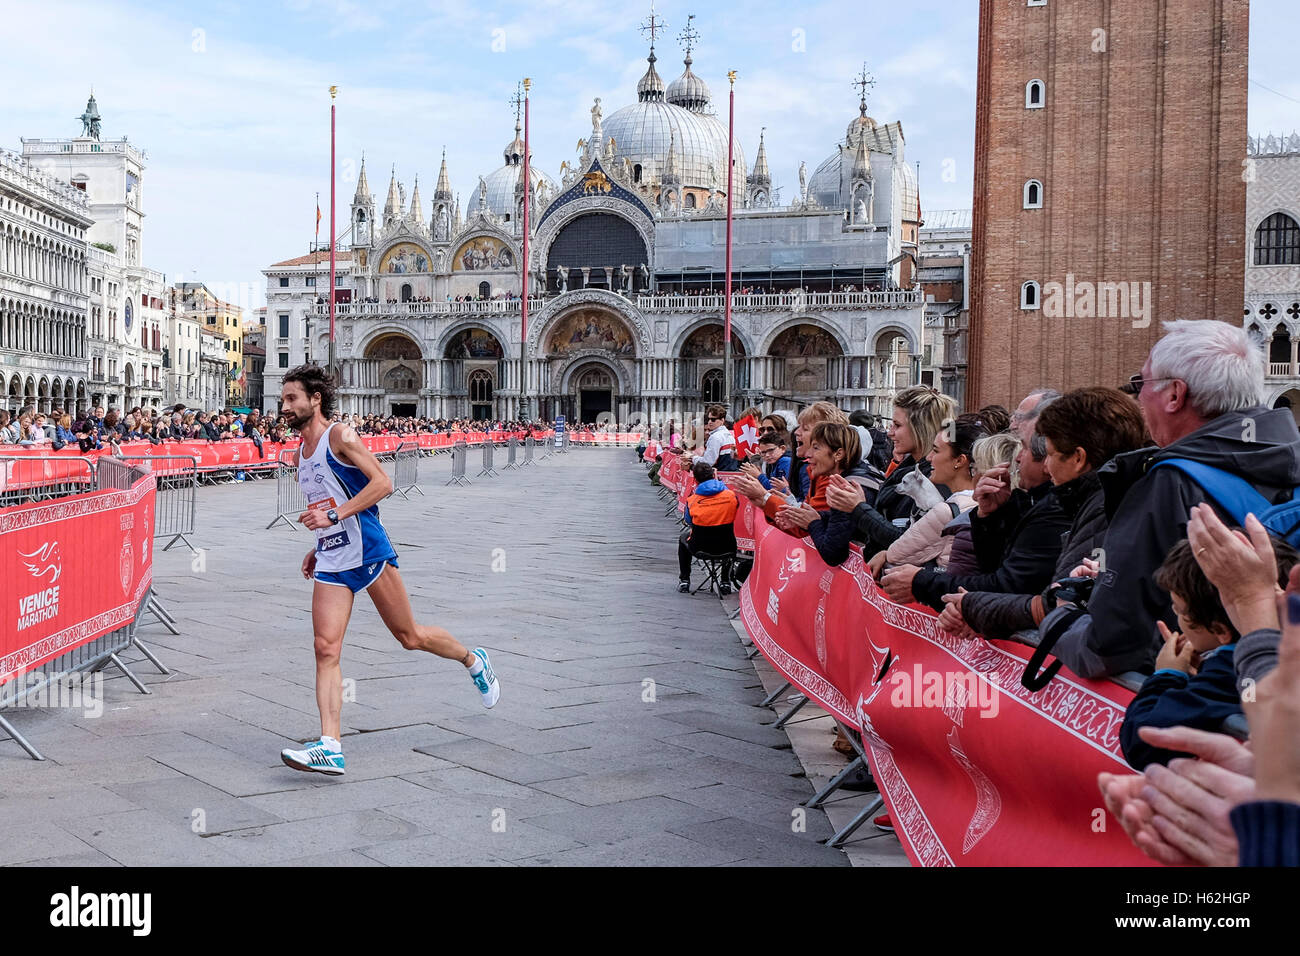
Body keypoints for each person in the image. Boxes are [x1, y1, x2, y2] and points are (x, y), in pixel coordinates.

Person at [276, 365, 500, 776]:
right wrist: (317, 543)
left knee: (409, 637)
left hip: (368, 549)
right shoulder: (298, 456)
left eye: (292, 398)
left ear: (315, 399)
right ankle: (330, 745)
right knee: (325, 648)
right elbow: (322, 504)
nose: (284, 406)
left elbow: (382, 482)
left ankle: (473, 660)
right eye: (284, 398)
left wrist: (334, 516)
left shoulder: (339, 436)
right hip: (332, 558)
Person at [1047, 320, 1300, 678]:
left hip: (1203, 706)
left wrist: (1060, 616)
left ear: (1174, 395)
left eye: (1142, 383)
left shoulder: (1169, 484)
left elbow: (1112, 644)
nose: (1138, 397)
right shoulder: (1289, 460)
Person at [944, 387, 1147, 639]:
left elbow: (1060, 604)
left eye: (1049, 454)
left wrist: (974, 607)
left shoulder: (1100, 508)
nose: (1045, 465)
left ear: (1078, 458)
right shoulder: (1094, 501)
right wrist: (993, 518)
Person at [1120, 535, 1297, 770]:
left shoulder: (1227, 673)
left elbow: (1143, 741)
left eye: (1180, 611)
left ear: (1219, 630)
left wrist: (1166, 676)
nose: (1177, 619)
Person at [826, 386, 957, 555]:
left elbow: (910, 542)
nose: (890, 433)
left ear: (921, 428)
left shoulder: (936, 479)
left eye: (897, 425)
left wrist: (859, 508)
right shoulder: (908, 468)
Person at [867, 417, 986, 576]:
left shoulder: (946, 511)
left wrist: (885, 554)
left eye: (936, 451)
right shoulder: (986, 501)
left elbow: (896, 555)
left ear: (959, 460)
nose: (929, 457)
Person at [677, 461, 739, 594]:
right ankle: (725, 582)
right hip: (726, 547)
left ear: (695, 480)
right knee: (729, 537)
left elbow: (689, 521)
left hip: (699, 547)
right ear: (714, 475)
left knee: (683, 538)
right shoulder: (731, 496)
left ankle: (685, 580)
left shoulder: (692, 500)